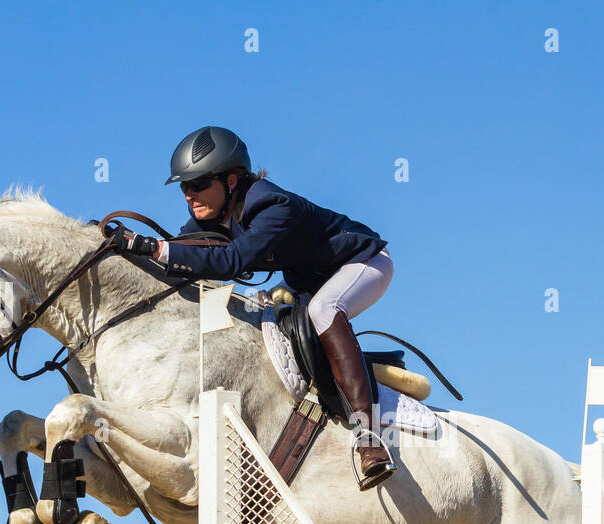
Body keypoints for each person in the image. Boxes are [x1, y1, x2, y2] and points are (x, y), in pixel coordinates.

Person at [107, 126, 396, 490]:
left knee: (324, 310)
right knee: (259, 310)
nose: (188, 196)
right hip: (305, 277)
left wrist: (153, 248)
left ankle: (368, 439)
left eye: (197, 185)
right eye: (184, 187)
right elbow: (184, 253)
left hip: (360, 263)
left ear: (231, 180)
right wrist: (119, 249)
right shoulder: (210, 217)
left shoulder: (274, 205)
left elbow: (230, 261)